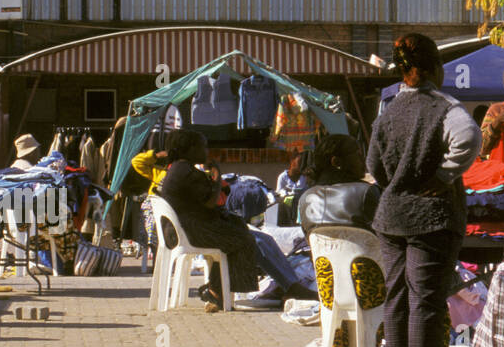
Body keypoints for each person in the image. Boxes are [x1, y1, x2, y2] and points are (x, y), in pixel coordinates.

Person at [368, 33, 481, 347]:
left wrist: (397, 184)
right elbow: (469, 138)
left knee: (397, 301)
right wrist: (442, 177)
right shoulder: (442, 106)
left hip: (390, 220)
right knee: (426, 304)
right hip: (431, 220)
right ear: (434, 67)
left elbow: (373, 164)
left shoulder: (389, 111)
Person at [157, 129, 309, 311]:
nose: (206, 151)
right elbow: (210, 202)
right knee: (251, 240)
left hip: (189, 228)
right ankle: (218, 291)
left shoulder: (180, 168)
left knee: (260, 238)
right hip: (192, 232)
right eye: (202, 147)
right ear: (189, 149)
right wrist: (216, 174)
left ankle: (290, 286)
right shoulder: (185, 171)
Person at [299, 134, 380, 238]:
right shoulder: (367, 192)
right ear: (336, 162)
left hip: (323, 254)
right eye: (358, 154)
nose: (363, 160)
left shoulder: (305, 197)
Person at [275, 155, 309, 225]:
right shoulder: (283, 177)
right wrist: (286, 194)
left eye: (302, 164)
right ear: (292, 163)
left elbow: (307, 191)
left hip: (300, 204)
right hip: (287, 204)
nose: (301, 166)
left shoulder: (304, 177)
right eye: (298, 164)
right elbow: (278, 192)